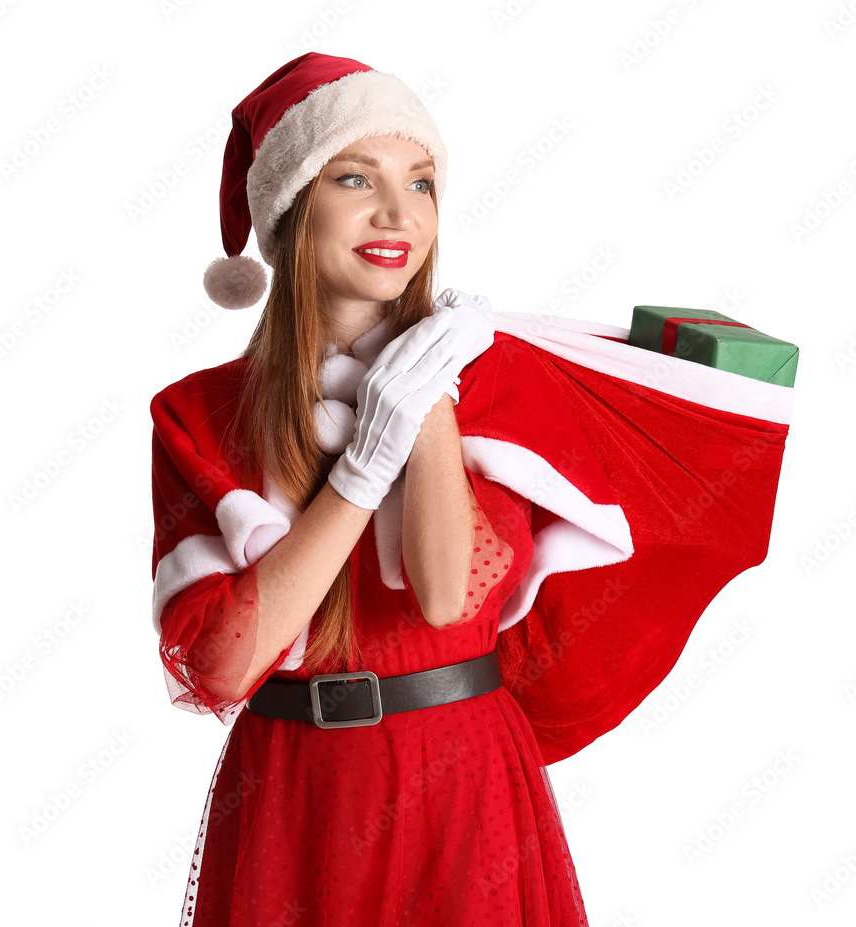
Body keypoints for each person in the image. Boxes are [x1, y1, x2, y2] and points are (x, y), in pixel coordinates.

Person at [150, 53, 794, 926]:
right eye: (354, 177)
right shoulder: (200, 413)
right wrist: (362, 470)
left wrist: (430, 403)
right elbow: (223, 665)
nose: (397, 213)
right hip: (293, 791)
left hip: (461, 778)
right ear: (291, 209)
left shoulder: (487, 377)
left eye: (421, 184)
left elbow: (448, 598)